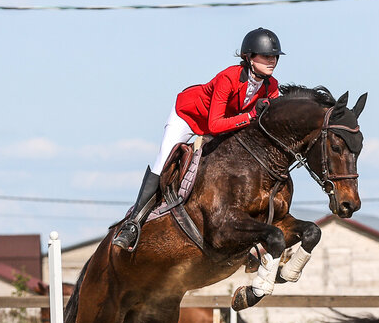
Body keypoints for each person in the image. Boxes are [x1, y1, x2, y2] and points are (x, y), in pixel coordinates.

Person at [112, 27, 284, 251]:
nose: (272, 60)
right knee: (163, 161)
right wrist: (251, 115)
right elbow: (214, 124)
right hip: (189, 117)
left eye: (275, 56)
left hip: (225, 125)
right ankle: (133, 223)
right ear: (249, 57)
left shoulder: (272, 86)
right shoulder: (228, 77)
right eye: (266, 56)